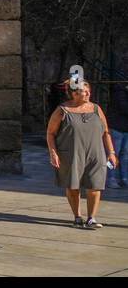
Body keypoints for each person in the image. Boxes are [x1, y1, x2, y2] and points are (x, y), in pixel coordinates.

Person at [47, 80, 118, 228]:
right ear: (73, 93)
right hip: (70, 154)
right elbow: (50, 133)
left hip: (95, 154)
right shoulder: (62, 110)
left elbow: (106, 133)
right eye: (82, 91)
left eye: (88, 91)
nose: (87, 94)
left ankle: (91, 218)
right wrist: (53, 153)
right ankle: (77, 217)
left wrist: (111, 152)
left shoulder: (96, 109)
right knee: (73, 186)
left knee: (95, 185)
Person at [108, 81, 128, 190]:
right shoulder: (119, 92)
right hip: (116, 128)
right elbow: (124, 108)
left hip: (125, 128)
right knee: (112, 154)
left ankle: (124, 178)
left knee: (125, 156)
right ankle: (111, 178)